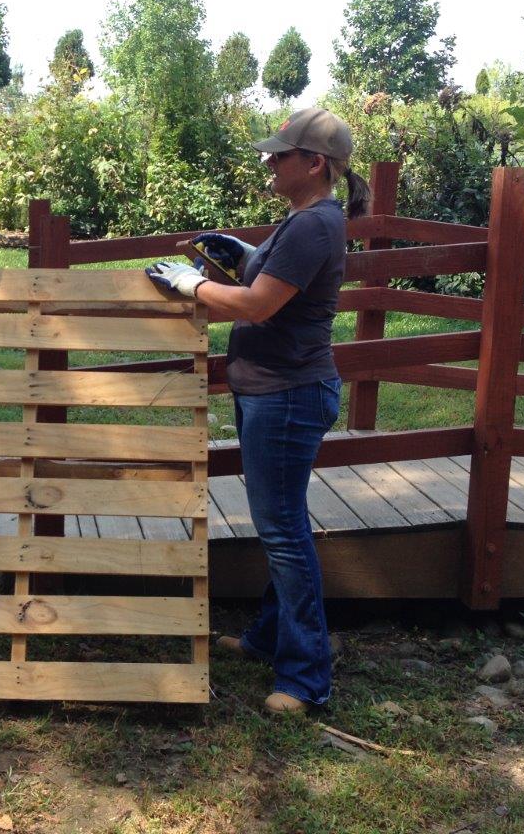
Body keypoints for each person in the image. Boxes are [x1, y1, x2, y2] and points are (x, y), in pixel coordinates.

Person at [146, 108, 369, 713]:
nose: (269, 161)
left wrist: (190, 286)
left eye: (280, 154)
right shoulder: (303, 220)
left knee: (283, 531)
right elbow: (268, 274)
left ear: (315, 163)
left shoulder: (315, 225)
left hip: (288, 394)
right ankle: (271, 638)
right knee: (280, 524)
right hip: (274, 391)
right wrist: (242, 250)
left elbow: (259, 305)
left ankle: (304, 677)